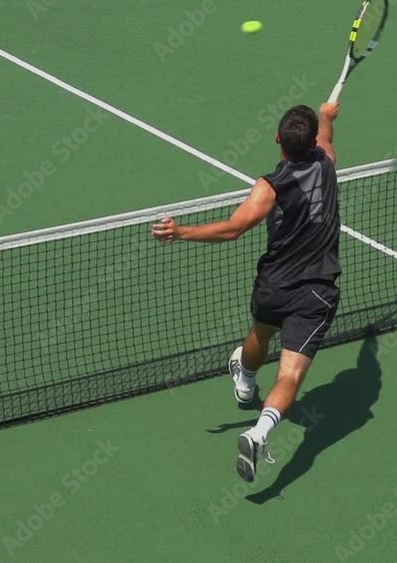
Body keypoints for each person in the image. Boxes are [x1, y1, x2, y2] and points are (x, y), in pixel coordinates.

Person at [151, 102, 342, 482]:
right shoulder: (326, 166)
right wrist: (328, 118)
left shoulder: (269, 187)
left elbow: (233, 228)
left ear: (277, 139)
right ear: (313, 143)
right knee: (289, 377)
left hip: (274, 285)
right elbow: (327, 142)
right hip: (316, 291)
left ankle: (245, 381)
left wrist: (180, 232)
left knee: (260, 331)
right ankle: (258, 433)